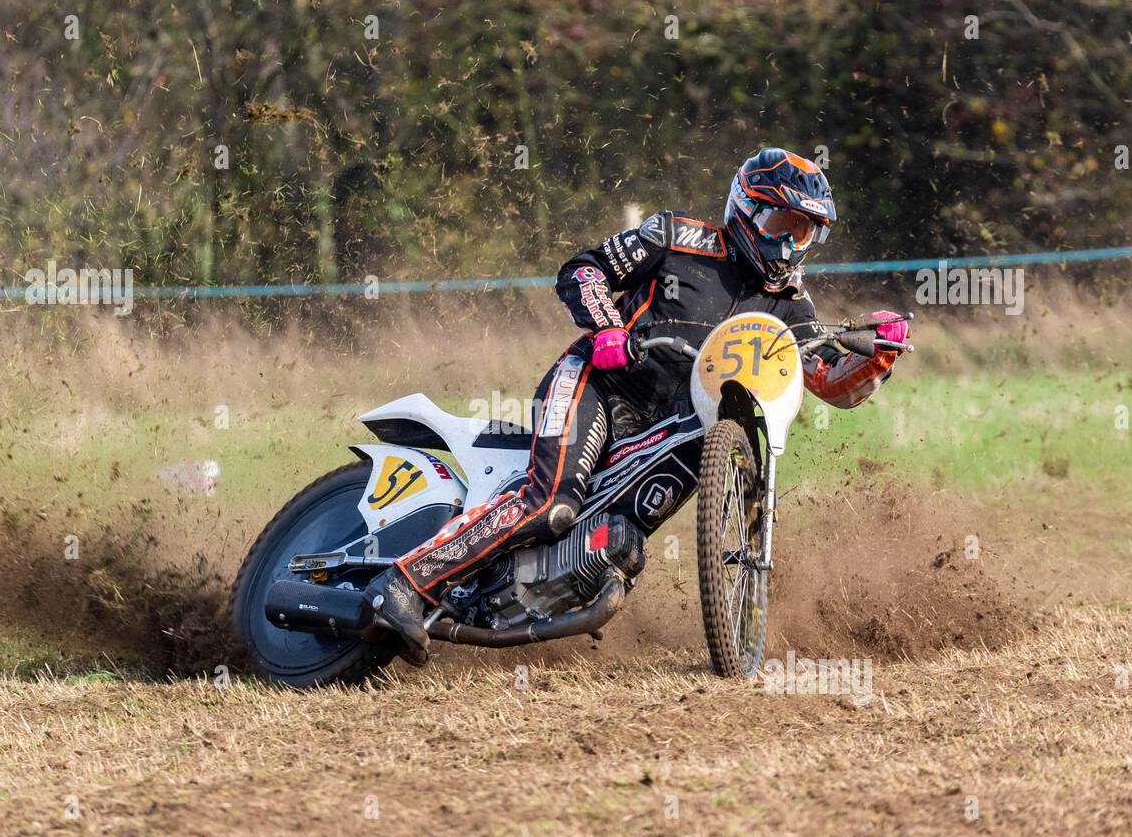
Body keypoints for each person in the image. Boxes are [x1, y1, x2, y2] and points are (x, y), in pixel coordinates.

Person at [365, 147, 911, 664]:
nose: (789, 247)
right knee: (551, 501)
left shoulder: (793, 305)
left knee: (617, 537)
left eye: (805, 233)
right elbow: (583, 269)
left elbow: (826, 380)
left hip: (672, 423)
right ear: (746, 209)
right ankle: (404, 582)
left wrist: (878, 356)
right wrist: (606, 328)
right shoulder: (677, 237)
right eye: (780, 227)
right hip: (599, 383)